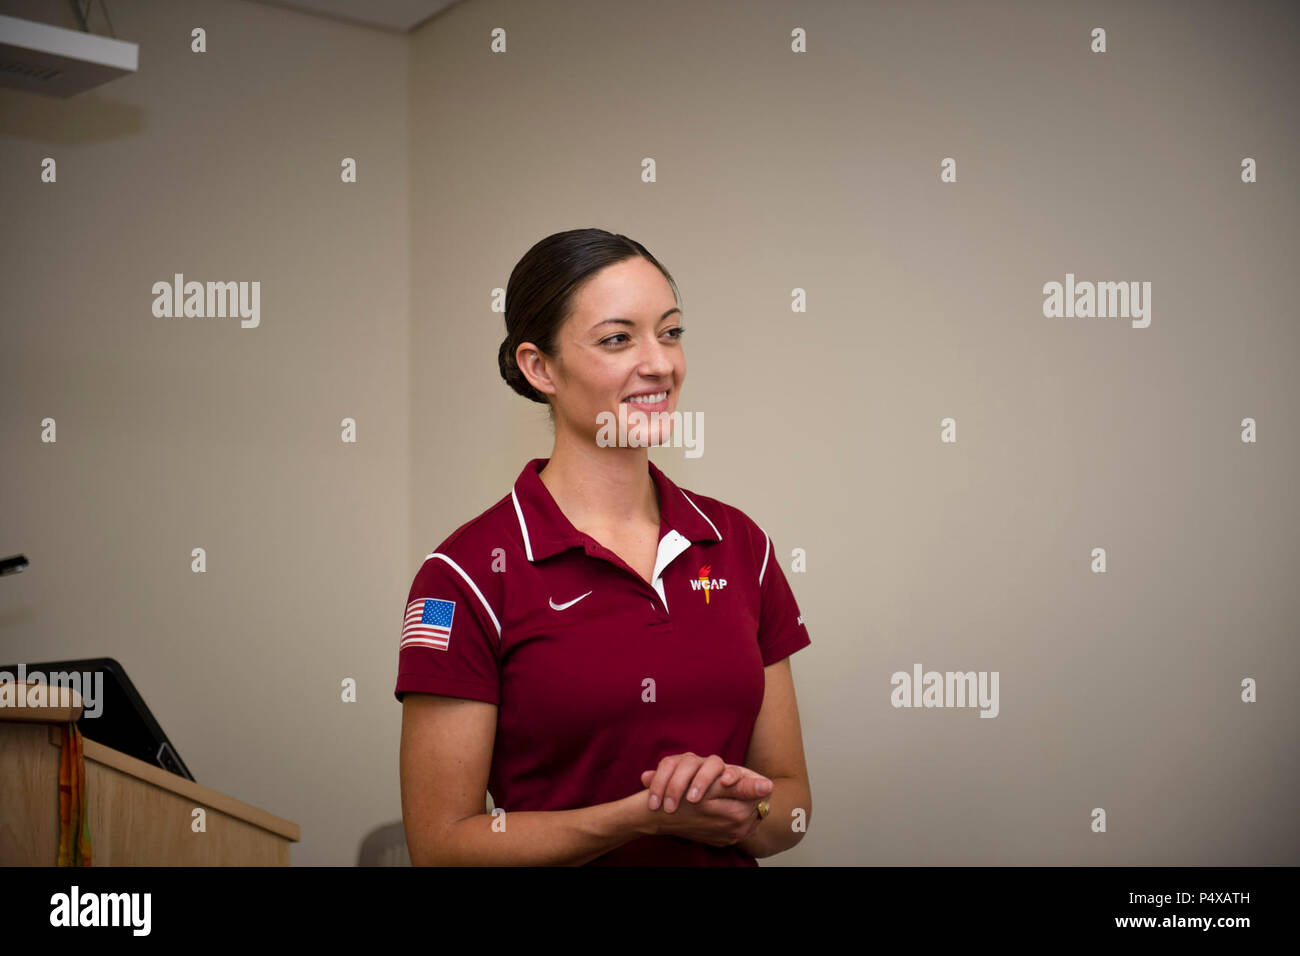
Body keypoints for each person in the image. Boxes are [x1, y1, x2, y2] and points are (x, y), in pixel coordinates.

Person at [395, 228, 812, 865]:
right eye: (618, 339)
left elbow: (791, 809)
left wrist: (736, 804)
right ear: (540, 368)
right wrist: (634, 819)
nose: (660, 363)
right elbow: (440, 845)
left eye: (669, 332)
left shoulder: (739, 546)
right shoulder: (465, 575)